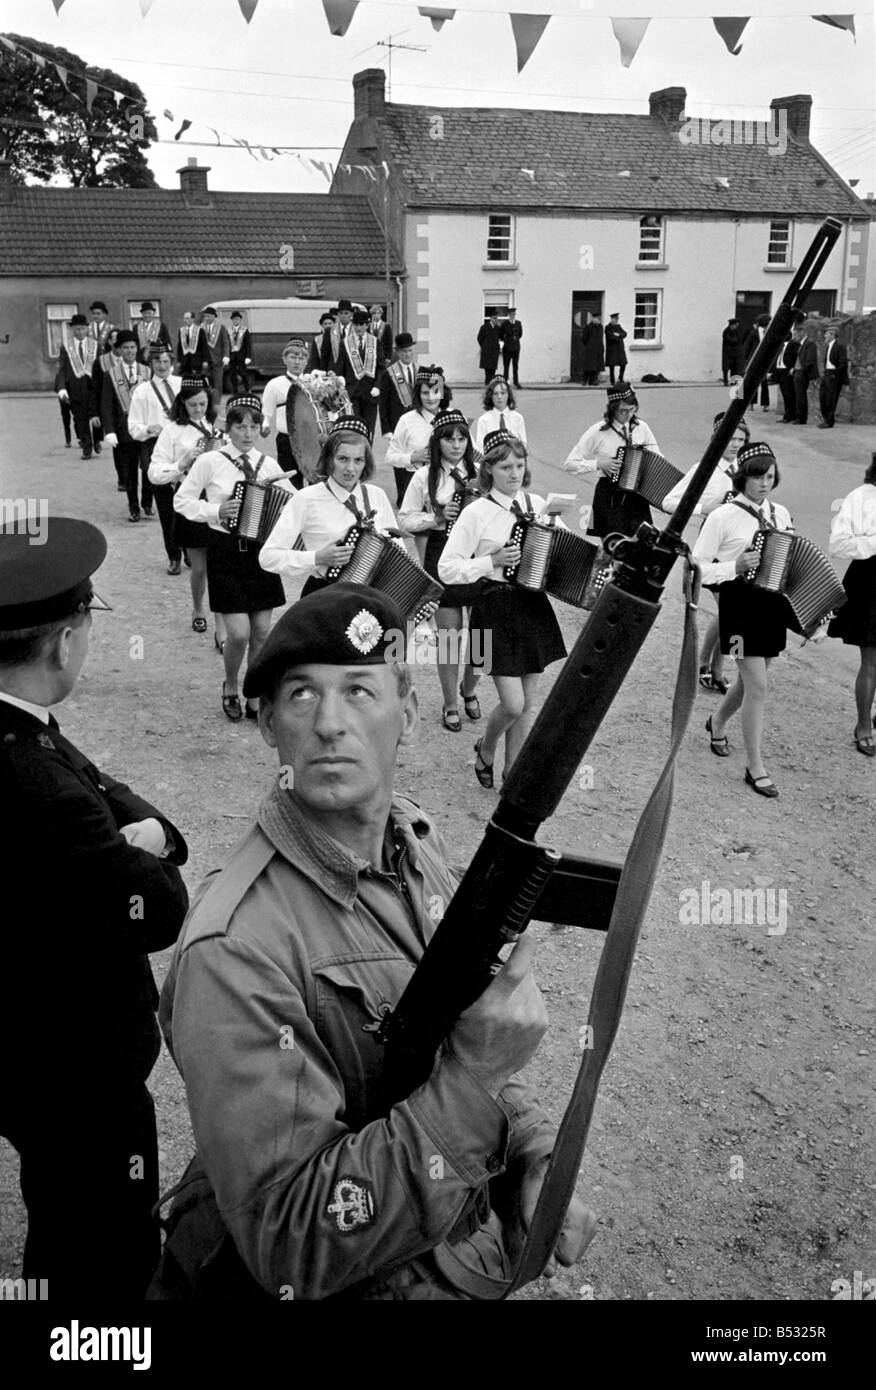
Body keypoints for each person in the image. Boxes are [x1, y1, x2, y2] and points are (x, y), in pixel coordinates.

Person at [153, 581, 594, 1300]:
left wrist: (532, 1150)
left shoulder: (413, 839)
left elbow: (445, 1042)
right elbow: (289, 1243)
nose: (330, 723)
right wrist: (475, 1084)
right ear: (267, 724)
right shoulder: (233, 947)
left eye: (360, 691)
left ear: (410, 714)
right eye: (301, 695)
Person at [0, 518, 188, 1298]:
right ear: (67, 641)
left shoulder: (24, 736)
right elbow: (160, 908)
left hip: (20, 1038)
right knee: (99, 1244)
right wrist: (146, 846)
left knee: (62, 1205)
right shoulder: (40, 787)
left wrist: (137, 829)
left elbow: (96, 781)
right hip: (71, 1062)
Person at [439, 431, 566, 786]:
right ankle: (485, 747)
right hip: (493, 607)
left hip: (532, 606)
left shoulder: (538, 505)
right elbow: (446, 568)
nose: (514, 473)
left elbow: (565, 549)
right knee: (512, 703)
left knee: (527, 704)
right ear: (489, 470)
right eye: (505, 466)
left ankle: (512, 772)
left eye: (519, 465)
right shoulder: (475, 512)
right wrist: (489, 560)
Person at [174, 393, 292, 722]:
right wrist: (216, 510)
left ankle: (253, 692)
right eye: (240, 426)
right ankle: (229, 684)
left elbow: (294, 504)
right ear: (229, 427)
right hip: (225, 550)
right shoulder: (211, 461)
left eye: (254, 426)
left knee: (262, 632)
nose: (247, 433)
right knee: (238, 633)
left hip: (260, 553)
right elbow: (181, 501)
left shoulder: (269, 465)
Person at [691, 442, 794, 798]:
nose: (764, 483)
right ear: (742, 477)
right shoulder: (722, 516)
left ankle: (716, 721)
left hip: (770, 606)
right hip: (736, 608)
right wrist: (734, 566)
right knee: (758, 686)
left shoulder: (781, 514)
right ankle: (755, 766)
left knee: (752, 680)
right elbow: (697, 567)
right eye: (756, 476)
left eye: (769, 476)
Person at [399, 408, 483, 731]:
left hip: (478, 557)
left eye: (462, 438)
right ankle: (450, 702)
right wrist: (435, 518)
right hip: (443, 553)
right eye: (449, 438)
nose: (457, 444)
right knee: (449, 635)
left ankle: (470, 688)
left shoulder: (482, 472)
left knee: (483, 632)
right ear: (438, 442)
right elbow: (404, 518)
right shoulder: (425, 476)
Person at [260, 416, 398, 599]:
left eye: (358, 460)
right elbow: (268, 557)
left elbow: (398, 552)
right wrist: (317, 558)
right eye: (342, 459)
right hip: (324, 596)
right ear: (329, 459)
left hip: (372, 596)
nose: (350, 468)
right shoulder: (306, 498)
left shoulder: (376, 495)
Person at [663, 411, 750, 694]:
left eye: (741, 439)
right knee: (730, 609)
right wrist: (706, 509)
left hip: (739, 548)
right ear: (718, 439)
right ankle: (709, 666)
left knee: (732, 610)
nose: (735, 444)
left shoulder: (747, 468)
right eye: (730, 439)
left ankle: (713, 665)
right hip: (713, 548)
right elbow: (669, 500)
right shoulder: (705, 470)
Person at [148, 378, 227, 649]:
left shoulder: (217, 425)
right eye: (193, 404)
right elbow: (154, 472)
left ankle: (221, 628)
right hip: (190, 500)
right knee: (201, 567)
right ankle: (197, 609)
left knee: (218, 566)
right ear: (182, 402)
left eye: (203, 404)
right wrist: (183, 462)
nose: (198, 409)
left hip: (217, 501)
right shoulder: (172, 430)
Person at [563, 383, 661, 539]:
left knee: (641, 546)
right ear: (613, 408)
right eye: (623, 410)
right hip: (609, 495)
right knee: (612, 548)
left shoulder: (642, 427)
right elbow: (570, 464)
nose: (628, 415)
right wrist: (599, 464)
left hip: (636, 497)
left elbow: (658, 458)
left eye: (632, 409)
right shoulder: (598, 431)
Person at [827, 454, 876, 755]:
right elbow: (838, 544)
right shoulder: (860, 497)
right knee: (871, 661)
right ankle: (863, 726)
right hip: (871, 583)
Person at [128, 347, 183, 571]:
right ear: (151, 364)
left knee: (188, 501)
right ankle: (173, 556)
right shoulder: (142, 391)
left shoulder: (182, 385)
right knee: (165, 504)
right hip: (156, 446)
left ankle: (190, 549)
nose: (162, 365)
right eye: (157, 361)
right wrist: (147, 428)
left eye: (165, 361)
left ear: (172, 362)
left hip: (182, 446)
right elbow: (133, 426)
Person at [386, 366, 452, 544]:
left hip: (448, 488)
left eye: (435, 391)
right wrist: (414, 457)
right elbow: (390, 456)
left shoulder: (452, 417)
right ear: (418, 394)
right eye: (425, 392)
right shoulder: (407, 421)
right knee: (425, 550)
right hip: (418, 486)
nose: (431, 398)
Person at [100, 329, 152, 522]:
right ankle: (134, 508)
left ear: (137, 348)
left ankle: (147, 503)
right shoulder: (110, 374)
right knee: (129, 472)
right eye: (126, 348)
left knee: (148, 469)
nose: (130, 351)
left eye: (133, 347)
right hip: (124, 431)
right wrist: (110, 431)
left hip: (146, 430)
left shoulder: (147, 372)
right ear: (119, 350)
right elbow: (105, 405)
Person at [260, 338, 311, 487]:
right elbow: (266, 409)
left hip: (310, 440)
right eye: (293, 357)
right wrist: (265, 424)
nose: (297, 362)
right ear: (284, 359)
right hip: (286, 440)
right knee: (290, 481)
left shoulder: (313, 382)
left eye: (301, 358)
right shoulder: (275, 384)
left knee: (315, 479)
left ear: (306, 361)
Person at [378, 333, 419, 501]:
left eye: (410, 351)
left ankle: (414, 495)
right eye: (404, 352)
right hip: (396, 422)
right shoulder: (389, 373)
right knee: (400, 460)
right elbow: (383, 402)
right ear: (398, 353)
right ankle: (402, 496)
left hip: (416, 423)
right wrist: (386, 429)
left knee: (415, 459)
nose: (408, 355)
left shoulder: (420, 371)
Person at [55, 313, 101, 459]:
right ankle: (86, 449)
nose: (79, 332)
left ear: (87, 329)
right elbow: (62, 368)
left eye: (82, 329)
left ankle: (97, 439)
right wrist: (61, 388)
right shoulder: (66, 347)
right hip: (75, 388)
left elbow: (101, 367)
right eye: (76, 329)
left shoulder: (96, 345)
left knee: (96, 416)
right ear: (72, 330)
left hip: (93, 387)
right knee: (80, 419)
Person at [341, 310, 384, 441]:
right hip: (352, 393)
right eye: (356, 325)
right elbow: (340, 368)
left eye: (361, 325)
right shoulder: (345, 343)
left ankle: (367, 456)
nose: (358, 328)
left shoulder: (375, 342)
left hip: (371, 393)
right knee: (355, 428)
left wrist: (378, 386)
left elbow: (381, 368)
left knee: (369, 429)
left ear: (367, 325)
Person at [474, 376, 527, 455]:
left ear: (508, 395)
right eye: (495, 393)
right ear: (490, 396)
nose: (499, 397)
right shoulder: (484, 420)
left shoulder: (518, 418)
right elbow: (481, 449)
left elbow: (524, 447)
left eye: (503, 393)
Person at [818, 328, 850, 429]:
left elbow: (843, 363)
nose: (825, 336)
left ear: (832, 335)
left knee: (831, 399)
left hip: (834, 375)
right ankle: (825, 419)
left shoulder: (840, 347)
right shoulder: (828, 346)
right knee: (822, 397)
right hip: (827, 373)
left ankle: (829, 421)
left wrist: (835, 374)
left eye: (826, 334)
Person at [201, 307, 231, 407]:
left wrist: (226, 355)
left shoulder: (221, 327)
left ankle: (216, 403)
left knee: (218, 381)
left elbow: (226, 342)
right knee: (204, 381)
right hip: (205, 359)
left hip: (218, 359)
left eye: (209, 316)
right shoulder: (202, 327)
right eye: (205, 316)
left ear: (214, 316)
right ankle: (206, 400)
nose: (207, 318)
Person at [791, 322, 819, 425]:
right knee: (798, 396)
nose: (794, 337)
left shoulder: (809, 344)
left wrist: (802, 370)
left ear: (802, 333)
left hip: (802, 373)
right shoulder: (800, 345)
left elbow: (809, 360)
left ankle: (802, 418)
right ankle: (798, 416)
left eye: (795, 334)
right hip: (798, 371)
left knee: (801, 396)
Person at [321, 299, 354, 374]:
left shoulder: (356, 330)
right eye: (341, 313)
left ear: (351, 314)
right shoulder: (330, 331)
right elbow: (325, 354)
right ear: (338, 314)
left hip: (352, 370)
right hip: (334, 370)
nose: (343, 316)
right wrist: (323, 371)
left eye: (346, 313)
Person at [225, 311, 253, 396]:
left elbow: (248, 344)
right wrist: (226, 356)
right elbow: (227, 344)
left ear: (240, 320)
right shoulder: (229, 330)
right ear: (232, 320)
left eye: (237, 319)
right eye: (234, 319)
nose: (235, 321)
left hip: (242, 356)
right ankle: (234, 390)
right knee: (232, 374)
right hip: (232, 356)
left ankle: (248, 389)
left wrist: (248, 356)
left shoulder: (245, 330)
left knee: (243, 373)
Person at [774, 331, 800, 423]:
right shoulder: (781, 345)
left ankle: (791, 415)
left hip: (787, 371)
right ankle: (787, 415)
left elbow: (797, 356)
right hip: (780, 371)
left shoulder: (794, 344)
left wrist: (793, 368)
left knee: (789, 395)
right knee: (785, 394)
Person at [136, 300, 172, 365]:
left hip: (158, 360)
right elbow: (135, 344)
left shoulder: (161, 326)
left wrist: (169, 358)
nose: (147, 315)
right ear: (142, 314)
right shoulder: (136, 327)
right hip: (141, 361)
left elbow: (167, 342)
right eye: (145, 313)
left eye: (149, 313)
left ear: (154, 313)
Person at [177, 310, 209, 378]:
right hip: (185, 362)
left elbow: (204, 346)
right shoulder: (181, 330)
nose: (185, 320)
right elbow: (179, 347)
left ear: (192, 319)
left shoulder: (200, 330)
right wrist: (179, 361)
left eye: (187, 318)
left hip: (197, 360)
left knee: (196, 380)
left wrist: (205, 360)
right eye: (184, 318)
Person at [477, 311, 503, 385]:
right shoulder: (484, 327)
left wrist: (499, 346)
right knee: (487, 369)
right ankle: (487, 384)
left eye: (496, 318)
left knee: (493, 369)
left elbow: (501, 338)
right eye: (494, 318)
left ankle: (491, 384)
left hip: (494, 351)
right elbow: (479, 338)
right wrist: (485, 346)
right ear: (490, 318)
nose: (495, 320)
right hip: (487, 351)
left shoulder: (497, 328)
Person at [580, 313, 604, 386]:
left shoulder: (600, 327)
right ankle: (585, 380)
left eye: (600, 319)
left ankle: (593, 380)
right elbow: (584, 338)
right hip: (590, 349)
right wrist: (589, 345)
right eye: (598, 319)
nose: (600, 320)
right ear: (594, 318)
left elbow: (601, 338)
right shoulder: (588, 327)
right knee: (588, 366)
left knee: (597, 366)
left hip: (598, 349)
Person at [501, 307, 523, 388]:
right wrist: (507, 341)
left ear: (515, 315)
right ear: (508, 315)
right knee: (506, 365)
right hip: (507, 348)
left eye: (513, 314)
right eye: (511, 314)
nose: (512, 316)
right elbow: (501, 335)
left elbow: (520, 334)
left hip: (516, 347)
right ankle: (506, 382)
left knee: (515, 365)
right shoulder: (505, 323)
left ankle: (516, 382)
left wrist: (515, 340)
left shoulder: (518, 323)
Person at [604, 313, 628, 387]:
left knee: (623, 363)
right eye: (615, 319)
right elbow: (610, 337)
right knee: (612, 365)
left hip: (619, 348)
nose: (616, 321)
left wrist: (618, 335)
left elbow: (624, 333)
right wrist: (618, 336)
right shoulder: (607, 327)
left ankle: (620, 378)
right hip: (612, 349)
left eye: (617, 319)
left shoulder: (618, 326)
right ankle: (612, 380)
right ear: (611, 319)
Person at [720, 319, 742, 388]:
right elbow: (731, 340)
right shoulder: (726, 331)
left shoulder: (736, 331)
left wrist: (735, 340)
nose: (736, 326)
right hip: (727, 352)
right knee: (726, 368)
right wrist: (735, 340)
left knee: (734, 367)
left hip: (734, 353)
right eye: (736, 325)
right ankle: (725, 381)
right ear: (732, 325)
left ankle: (733, 381)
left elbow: (739, 339)